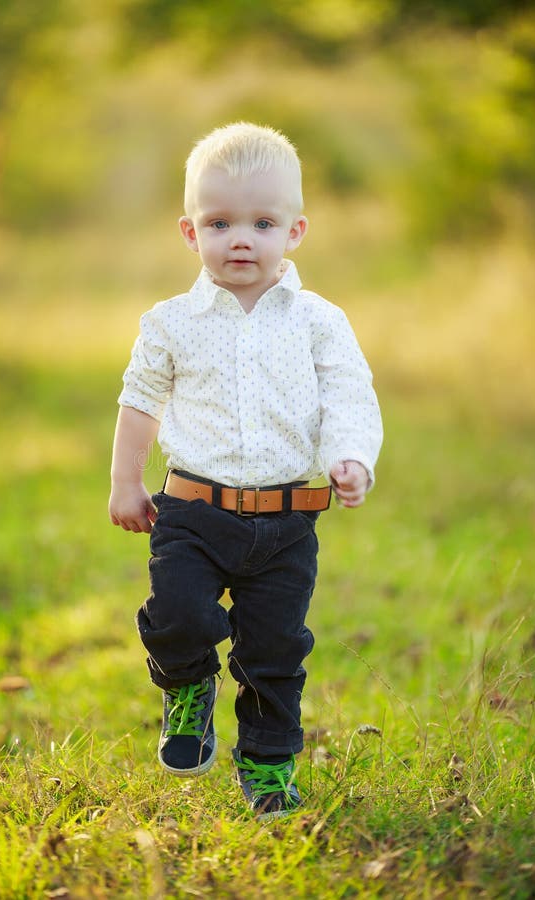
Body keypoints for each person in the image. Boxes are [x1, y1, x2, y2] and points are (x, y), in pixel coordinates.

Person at [109, 122, 383, 821]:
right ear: (188, 231)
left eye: (261, 223)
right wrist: (126, 482)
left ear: (295, 231)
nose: (240, 238)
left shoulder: (320, 321)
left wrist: (351, 458)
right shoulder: (170, 323)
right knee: (176, 615)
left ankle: (266, 766)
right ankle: (188, 686)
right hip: (193, 511)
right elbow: (139, 402)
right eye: (219, 222)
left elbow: (349, 393)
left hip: (287, 522)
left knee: (274, 651)